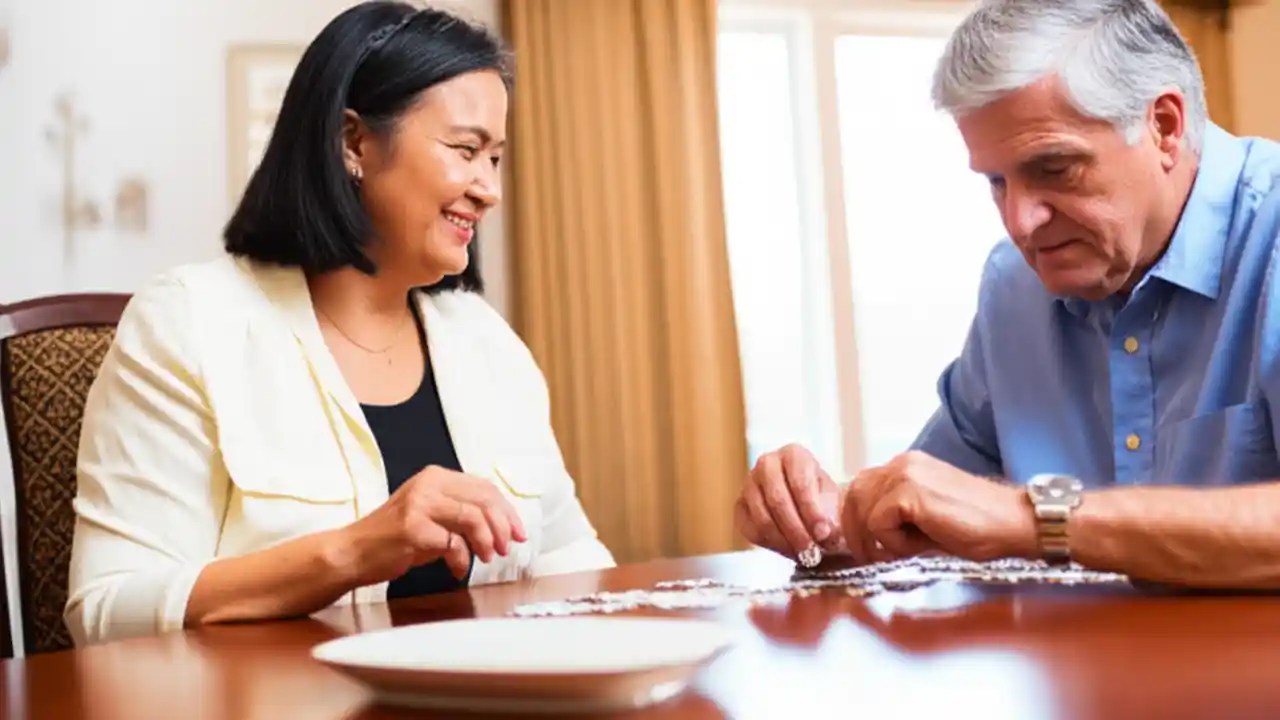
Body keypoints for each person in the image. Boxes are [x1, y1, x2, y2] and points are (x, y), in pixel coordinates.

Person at [65, 1, 614, 646]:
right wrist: (352, 552)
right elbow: (105, 612)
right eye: (465, 150)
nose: (487, 187)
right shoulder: (186, 323)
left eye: (493, 158)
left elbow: (572, 562)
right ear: (354, 142)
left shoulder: (487, 342)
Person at [737, 0, 1280, 589]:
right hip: (1075, 676)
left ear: (1164, 127)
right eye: (997, 182)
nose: (1020, 222)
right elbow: (932, 513)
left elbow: (1006, 520)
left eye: (1054, 167)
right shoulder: (1016, 286)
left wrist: (1036, 520)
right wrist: (821, 517)